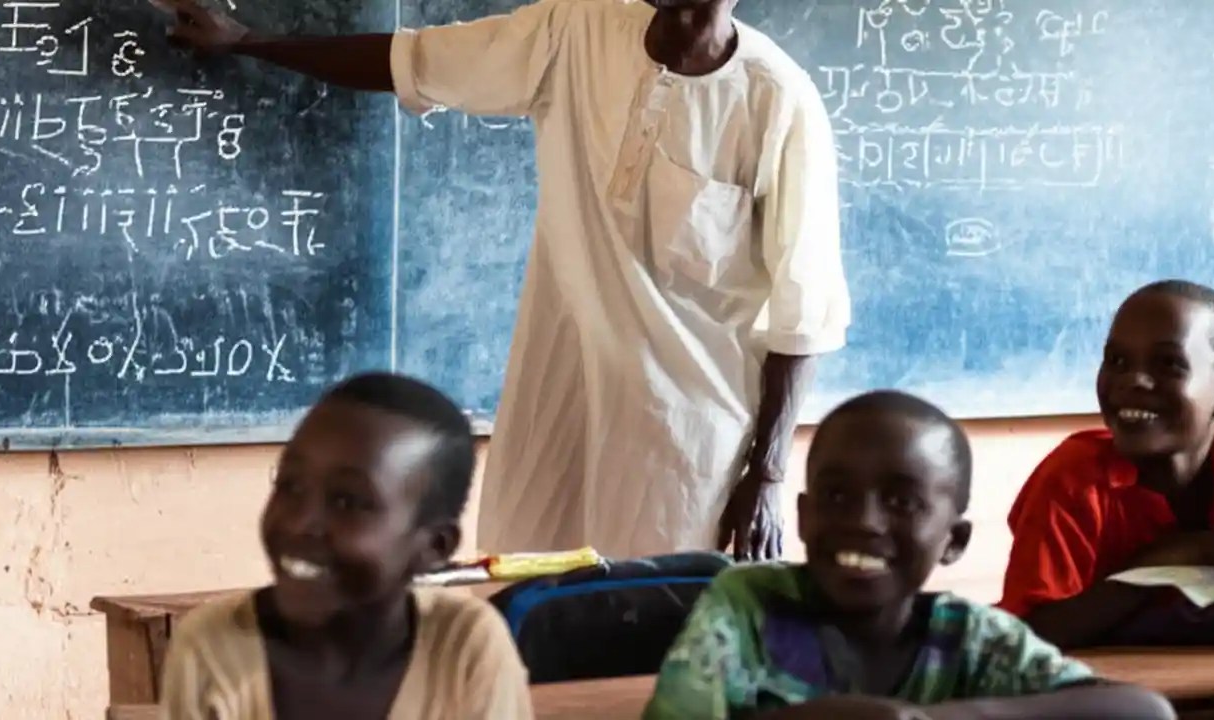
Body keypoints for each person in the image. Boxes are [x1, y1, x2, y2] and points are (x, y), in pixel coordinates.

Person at [153, 0, 851, 561]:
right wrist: (249, 41)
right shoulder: (573, 30)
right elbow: (414, 61)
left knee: (658, 645)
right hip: (559, 412)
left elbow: (803, 311)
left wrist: (766, 476)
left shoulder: (777, 101)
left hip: (687, 448)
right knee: (532, 624)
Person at [642, 391, 1174, 720]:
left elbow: (1143, 712)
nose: (864, 521)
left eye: (902, 502)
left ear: (953, 541)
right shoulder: (750, 609)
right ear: (802, 516)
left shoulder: (967, 639)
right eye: (836, 496)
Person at [159, 373, 532, 719]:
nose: (300, 522)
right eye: (290, 485)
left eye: (348, 502)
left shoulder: (465, 649)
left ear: (434, 547)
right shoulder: (211, 648)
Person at [998, 280, 1214, 648]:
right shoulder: (1075, 480)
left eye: (1168, 363)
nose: (1133, 380)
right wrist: (1178, 559)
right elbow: (1027, 638)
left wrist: (1195, 552)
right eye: (1116, 361)